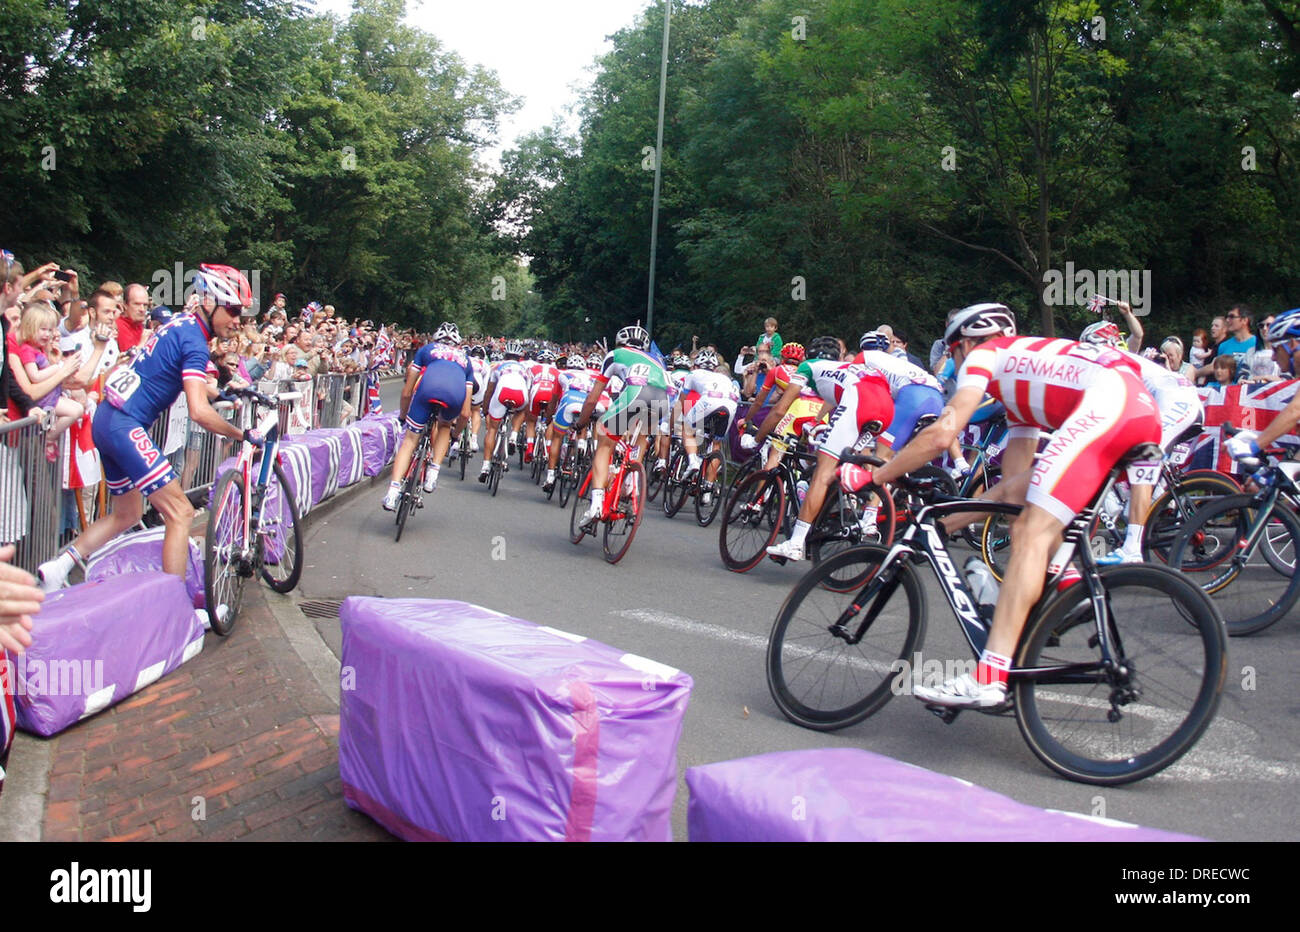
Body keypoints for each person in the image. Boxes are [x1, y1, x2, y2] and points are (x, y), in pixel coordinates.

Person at [840, 303, 1160, 707]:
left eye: (953, 352)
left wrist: (875, 477)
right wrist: (943, 527)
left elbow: (943, 433)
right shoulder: (1021, 388)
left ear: (968, 343)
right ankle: (1065, 591)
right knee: (1035, 519)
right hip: (1139, 412)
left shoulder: (987, 355)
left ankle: (989, 677)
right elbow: (1010, 490)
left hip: (1109, 406)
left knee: (1030, 532)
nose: (954, 364)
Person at [37, 265, 259, 598]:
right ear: (210, 302)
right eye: (232, 310)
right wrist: (241, 435)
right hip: (126, 424)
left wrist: (222, 389)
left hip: (109, 420)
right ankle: (172, 609)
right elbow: (198, 411)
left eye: (241, 312)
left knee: (127, 514)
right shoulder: (195, 341)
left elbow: (177, 374)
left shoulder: (180, 324)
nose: (238, 319)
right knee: (181, 512)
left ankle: (59, 567)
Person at [746, 335, 894, 561]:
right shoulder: (846, 367)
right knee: (844, 460)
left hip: (858, 404)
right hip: (885, 409)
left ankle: (795, 543)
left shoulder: (807, 366)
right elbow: (834, 397)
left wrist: (757, 439)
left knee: (822, 475)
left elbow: (779, 411)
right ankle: (849, 507)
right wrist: (816, 422)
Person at [572, 324, 670, 528]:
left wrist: (581, 422)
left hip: (635, 393)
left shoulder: (615, 354)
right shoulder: (657, 360)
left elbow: (593, 398)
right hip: (662, 401)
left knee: (605, 444)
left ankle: (597, 503)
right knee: (639, 439)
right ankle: (631, 481)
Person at [383, 321, 473, 510]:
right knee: (444, 426)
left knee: (409, 441)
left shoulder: (426, 350)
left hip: (427, 392)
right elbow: (465, 413)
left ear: (436, 338)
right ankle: (433, 472)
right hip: (454, 396)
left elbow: (407, 391)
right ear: (457, 343)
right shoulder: (466, 360)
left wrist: (402, 416)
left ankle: (392, 492)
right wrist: (455, 435)